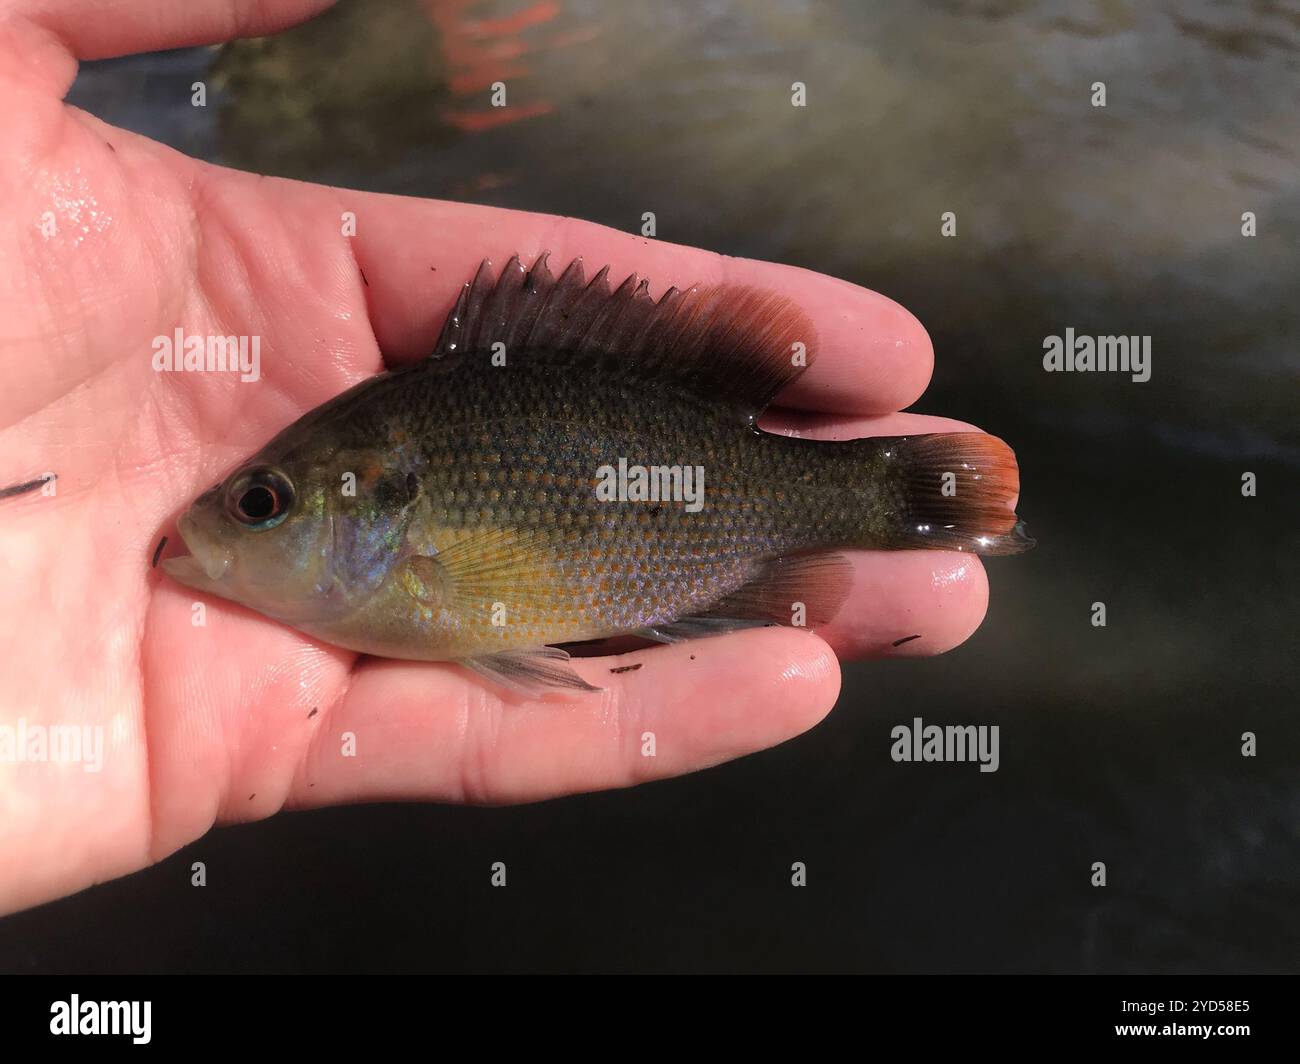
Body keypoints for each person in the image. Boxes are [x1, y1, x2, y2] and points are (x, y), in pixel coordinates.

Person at [0, 0, 1000, 915]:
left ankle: (902, 496)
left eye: (263, 501)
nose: (215, 520)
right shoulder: (382, 511)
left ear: (379, 501)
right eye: (254, 500)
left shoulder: (404, 534)